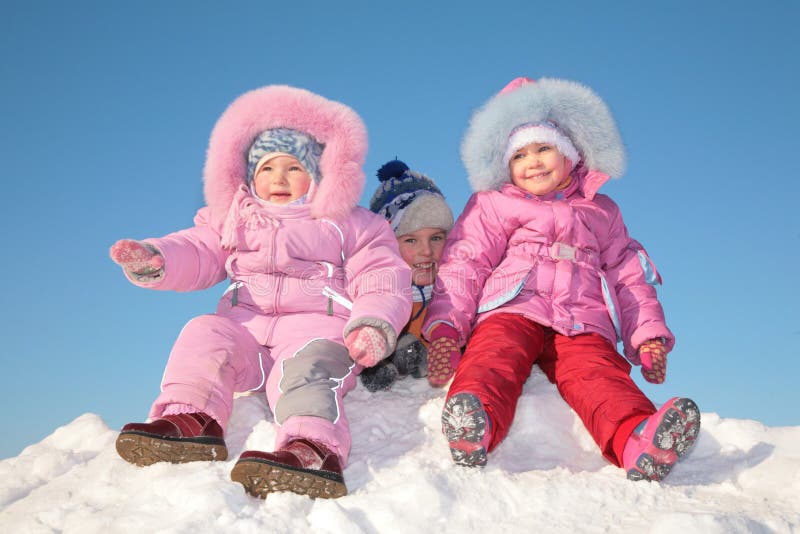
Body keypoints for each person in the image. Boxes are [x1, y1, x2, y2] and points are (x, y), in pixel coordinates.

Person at [109, 85, 412, 499]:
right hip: (247, 335)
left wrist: (373, 322)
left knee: (309, 370)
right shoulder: (233, 219)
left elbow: (380, 273)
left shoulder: (349, 223)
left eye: (293, 168)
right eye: (266, 169)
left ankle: (312, 446)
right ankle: (191, 418)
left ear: (319, 173)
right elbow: (198, 250)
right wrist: (157, 257)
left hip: (315, 333)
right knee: (203, 332)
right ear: (249, 176)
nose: (279, 179)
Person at [423, 76, 700, 482]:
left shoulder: (600, 210)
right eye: (519, 155)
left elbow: (628, 276)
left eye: (543, 148)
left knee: (598, 375)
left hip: (582, 320)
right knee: (494, 355)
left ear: (571, 155)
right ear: (504, 164)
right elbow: (466, 260)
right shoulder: (494, 204)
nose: (532, 161)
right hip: (513, 306)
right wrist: (448, 324)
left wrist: (647, 335)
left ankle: (637, 438)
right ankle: (474, 422)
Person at [359, 159, 454, 392]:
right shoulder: (374, 294)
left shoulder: (456, 294)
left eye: (436, 238)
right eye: (411, 240)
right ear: (388, 244)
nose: (427, 251)